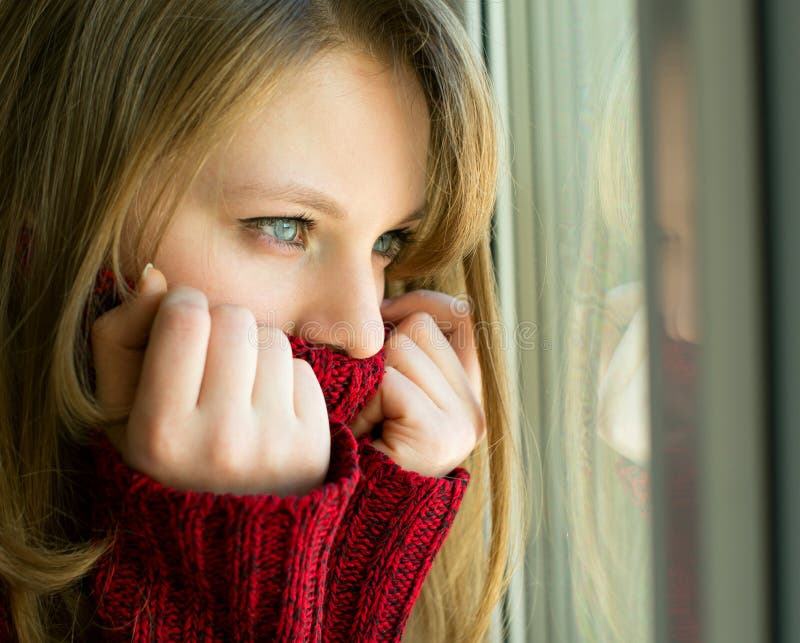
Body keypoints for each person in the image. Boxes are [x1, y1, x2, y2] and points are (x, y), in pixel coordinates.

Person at [0, 1, 529, 641]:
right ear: (52, 202)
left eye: (388, 243)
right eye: (284, 227)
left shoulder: (387, 460)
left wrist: (351, 546)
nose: (364, 336)